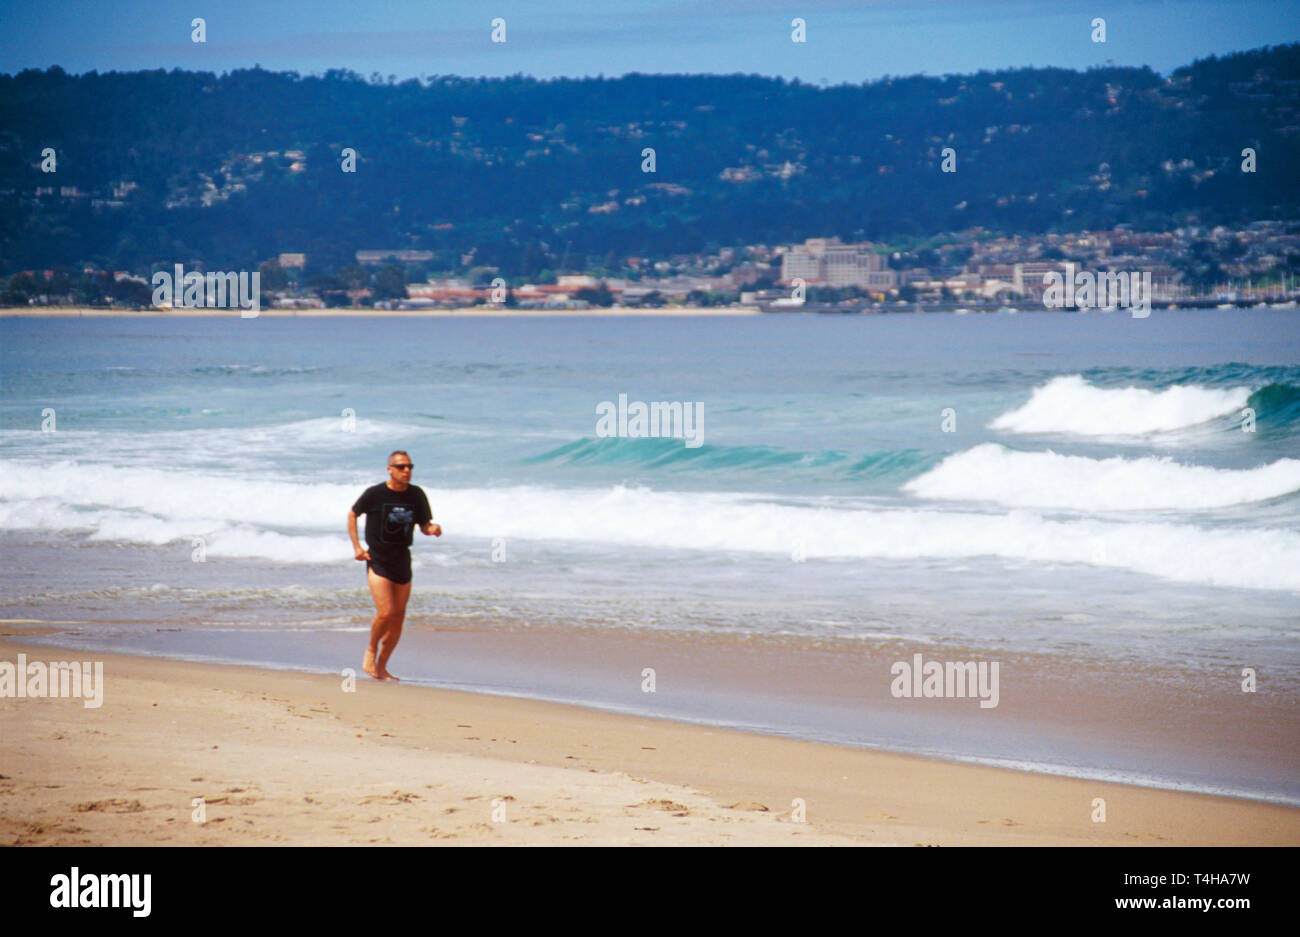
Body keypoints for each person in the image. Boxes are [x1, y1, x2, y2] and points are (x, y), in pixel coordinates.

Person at [347, 450, 441, 680]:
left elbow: (424, 525)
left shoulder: (416, 495)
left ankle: (381, 667)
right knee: (386, 612)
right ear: (390, 469)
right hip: (378, 558)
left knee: (398, 616)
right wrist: (357, 547)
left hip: (402, 559)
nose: (406, 471)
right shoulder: (375, 494)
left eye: (409, 467)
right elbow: (352, 514)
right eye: (401, 467)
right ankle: (371, 649)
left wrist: (432, 529)